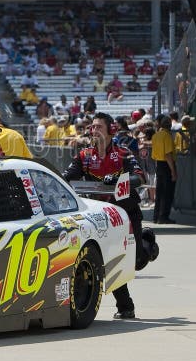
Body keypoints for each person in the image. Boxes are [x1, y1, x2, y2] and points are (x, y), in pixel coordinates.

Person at [62, 112, 145, 319]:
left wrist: (120, 179)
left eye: (99, 127)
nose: (94, 130)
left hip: (126, 213)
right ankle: (126, 306)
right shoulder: (84, 155)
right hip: (100, 216)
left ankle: (147, 244)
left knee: (135, 261)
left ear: (111, 130)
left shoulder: (124, 153)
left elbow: (140, 177)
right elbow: (67, 176)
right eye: (92, 127)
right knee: (111, 259)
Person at [151, 114, 177, 224]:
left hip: (159, 165)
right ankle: (164, 217)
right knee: (167, 193)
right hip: (167, 165)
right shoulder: (167, 136)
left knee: (159, 192)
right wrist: (173, 171)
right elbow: (168, 155)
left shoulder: (156, 135)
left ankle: (156, 216)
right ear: (169, 125)